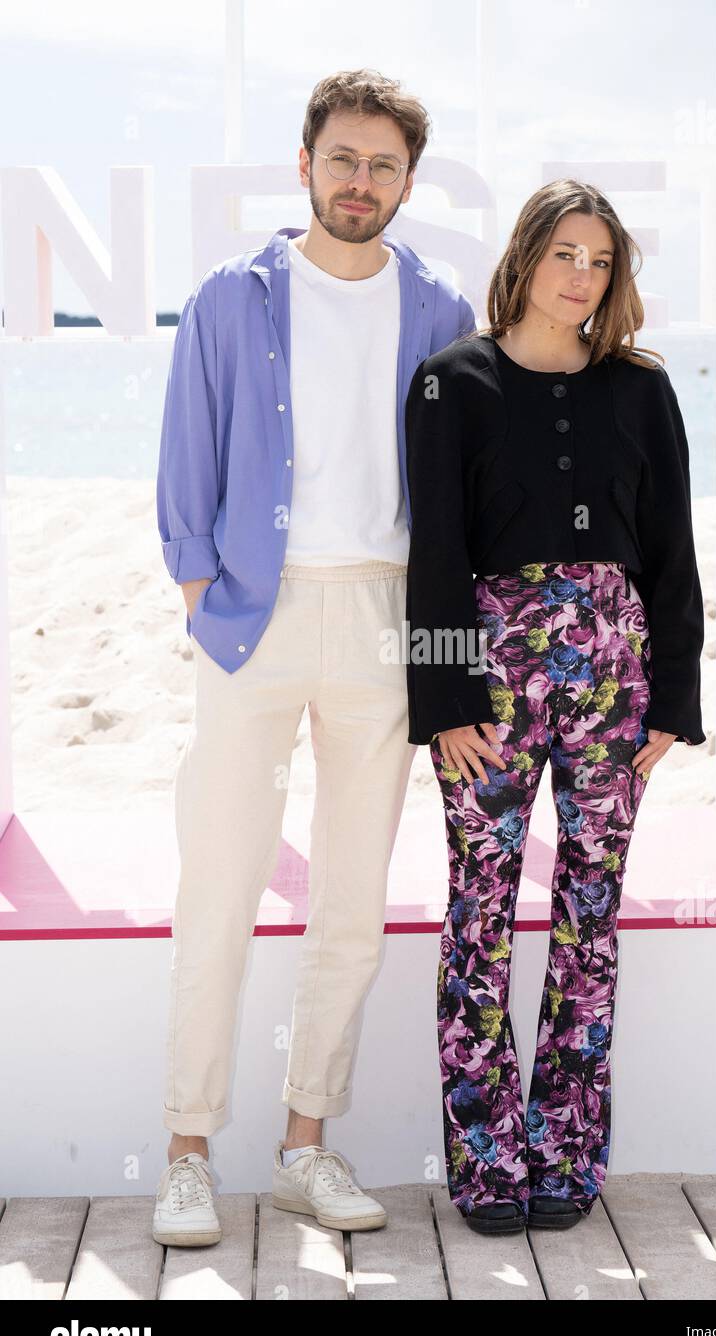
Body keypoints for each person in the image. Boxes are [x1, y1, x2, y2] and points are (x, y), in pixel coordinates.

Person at [152, 69, 476, 1246]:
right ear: (304, 164)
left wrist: (443, 649)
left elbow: (457, 494)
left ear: (407, 180)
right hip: (253, 616)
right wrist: (204, 593)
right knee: (221, 885)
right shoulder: (231, 299)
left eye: (384, 165)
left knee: (352, 897)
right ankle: (186, 1149)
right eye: (342, 159)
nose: (360, 182)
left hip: (385, 622)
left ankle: (305, 1143)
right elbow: (186, 460)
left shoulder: (440, 306)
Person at [404, 179, 706, 1237]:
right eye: (564, 253)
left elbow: (670, 551)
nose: (580, 276)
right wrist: (442, 700)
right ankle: (486, 1154)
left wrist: (673, 696)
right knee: (477, 911)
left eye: (600, 261)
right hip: (485, 685)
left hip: (613, 684)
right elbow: (433, 553)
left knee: (589, 913)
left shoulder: (640, 388)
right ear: (526, 254)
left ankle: (565, 1145)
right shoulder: (451, 383)